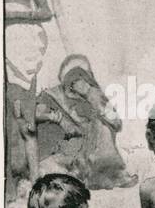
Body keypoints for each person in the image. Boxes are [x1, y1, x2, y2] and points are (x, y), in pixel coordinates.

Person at [35, 55, 138, 190]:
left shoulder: (93, 94)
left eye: (83, 76)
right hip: (62, 149)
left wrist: (92, 97)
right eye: (75, 78)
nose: (80, 82)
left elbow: (116, 123)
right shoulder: (53, 96)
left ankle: (114, 175)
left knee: (103, 128)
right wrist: (57, 119)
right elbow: (36, 114)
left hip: (90, 154)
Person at [4, 0, 52, 197]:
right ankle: (8, 177)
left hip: (22, 44)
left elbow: (46, 10)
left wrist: (21, 13)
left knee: (25, 115)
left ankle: (34, 178)